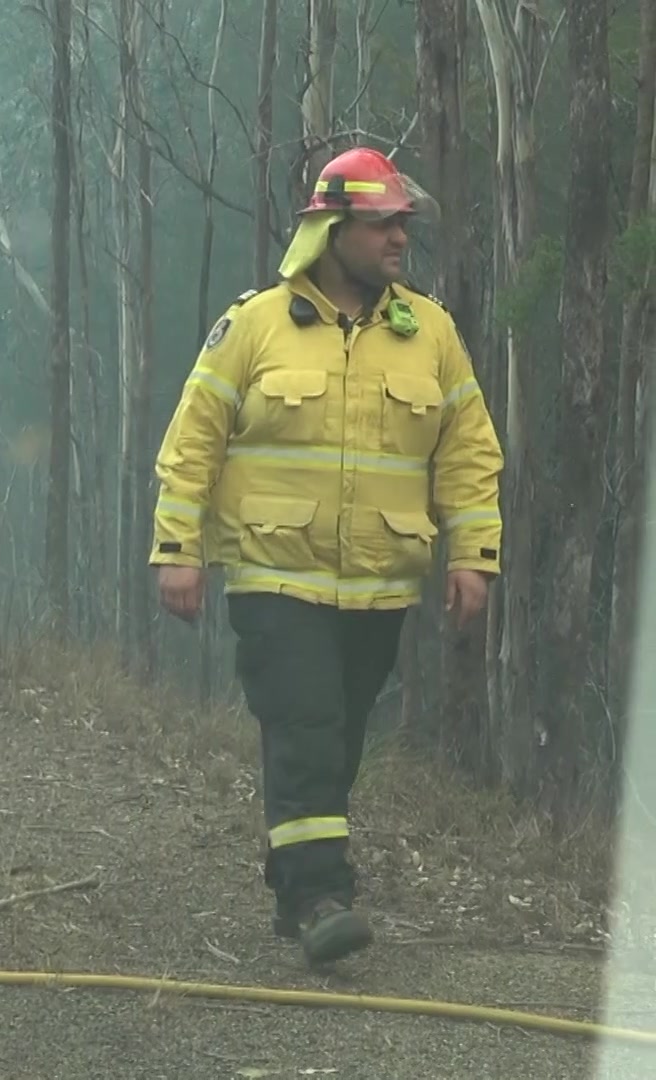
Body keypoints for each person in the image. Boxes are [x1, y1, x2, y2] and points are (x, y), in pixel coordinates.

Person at [146, 146, 505, 966]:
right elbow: (193, 440)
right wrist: (180, 549)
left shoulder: (431, 335)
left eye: (402, 225)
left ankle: (295, 873)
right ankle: (320, 899)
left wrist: (472, 556)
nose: (397, 239)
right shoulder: (256, 325)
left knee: (336, 741)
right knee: (306, 726)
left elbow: (469, 451)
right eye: (381, 223)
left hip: (379, 588)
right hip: (276, 579)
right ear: (332, 230)